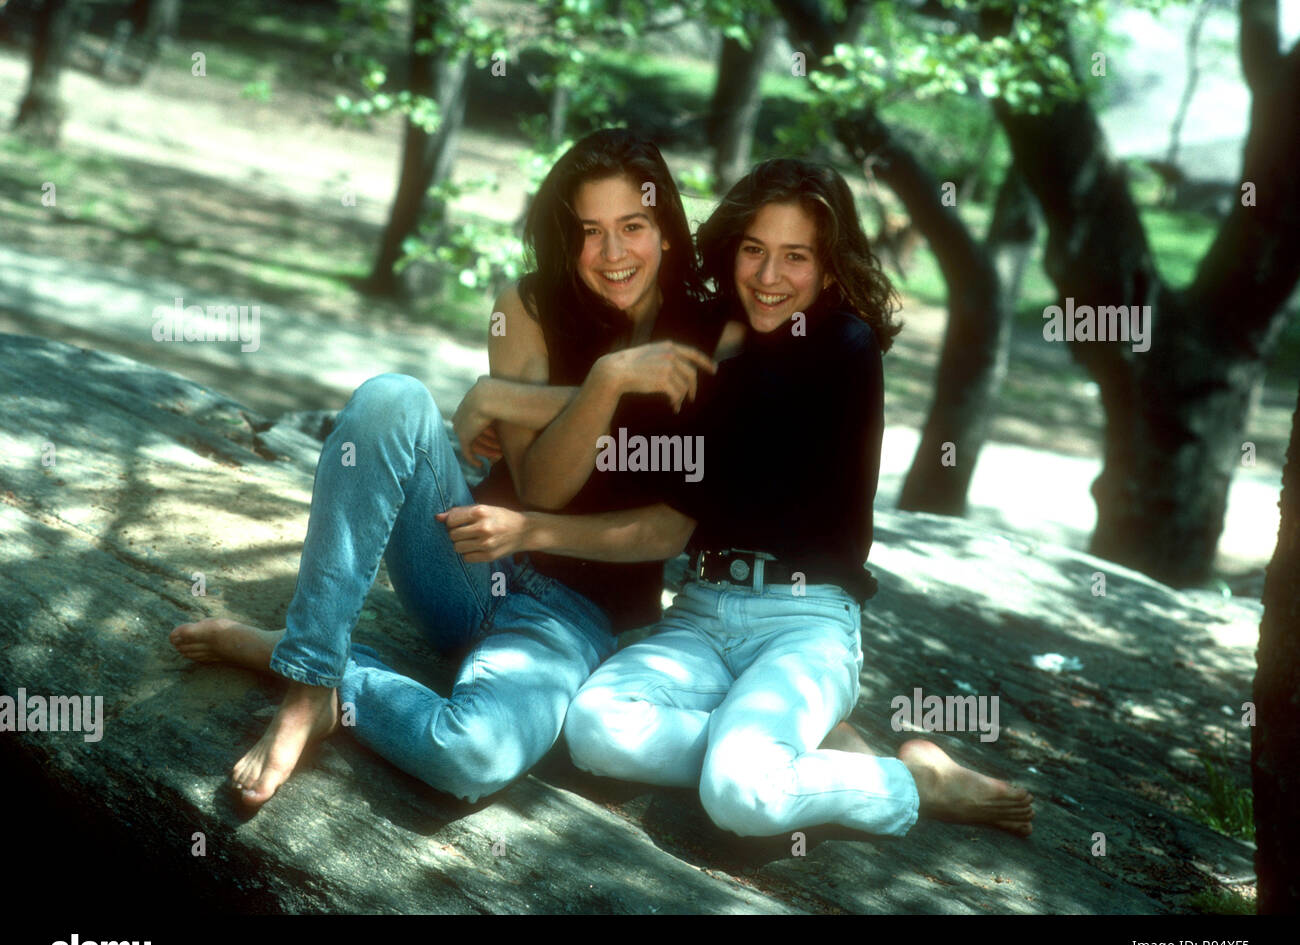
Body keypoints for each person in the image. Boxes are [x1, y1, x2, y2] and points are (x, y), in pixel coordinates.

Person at [443, 159, 1035, 838]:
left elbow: (651, 426)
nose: (769, 275)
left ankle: (907, 785)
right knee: (594, 728)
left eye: (796, 256)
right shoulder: (727, 338)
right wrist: (547, 402)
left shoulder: (840, 347)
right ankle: (798, 750)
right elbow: (639, 409)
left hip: (804, 623)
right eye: (754, 249)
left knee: (741, 794)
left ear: (830, 269)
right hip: (702, 612)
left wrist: (501, 401)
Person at [169, 128, 717, 806]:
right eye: (589, 231)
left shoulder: (712, 330)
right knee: (392, 399)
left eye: (632, 226)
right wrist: (610, 382)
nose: (612, 254)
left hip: (573, 622)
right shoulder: (528, 307)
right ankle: (308, 676)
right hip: (464, 565)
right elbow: (543, 483)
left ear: (666, 230)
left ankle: (332, 680)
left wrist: (517, 396)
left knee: (470, 756)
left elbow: (666, 531)